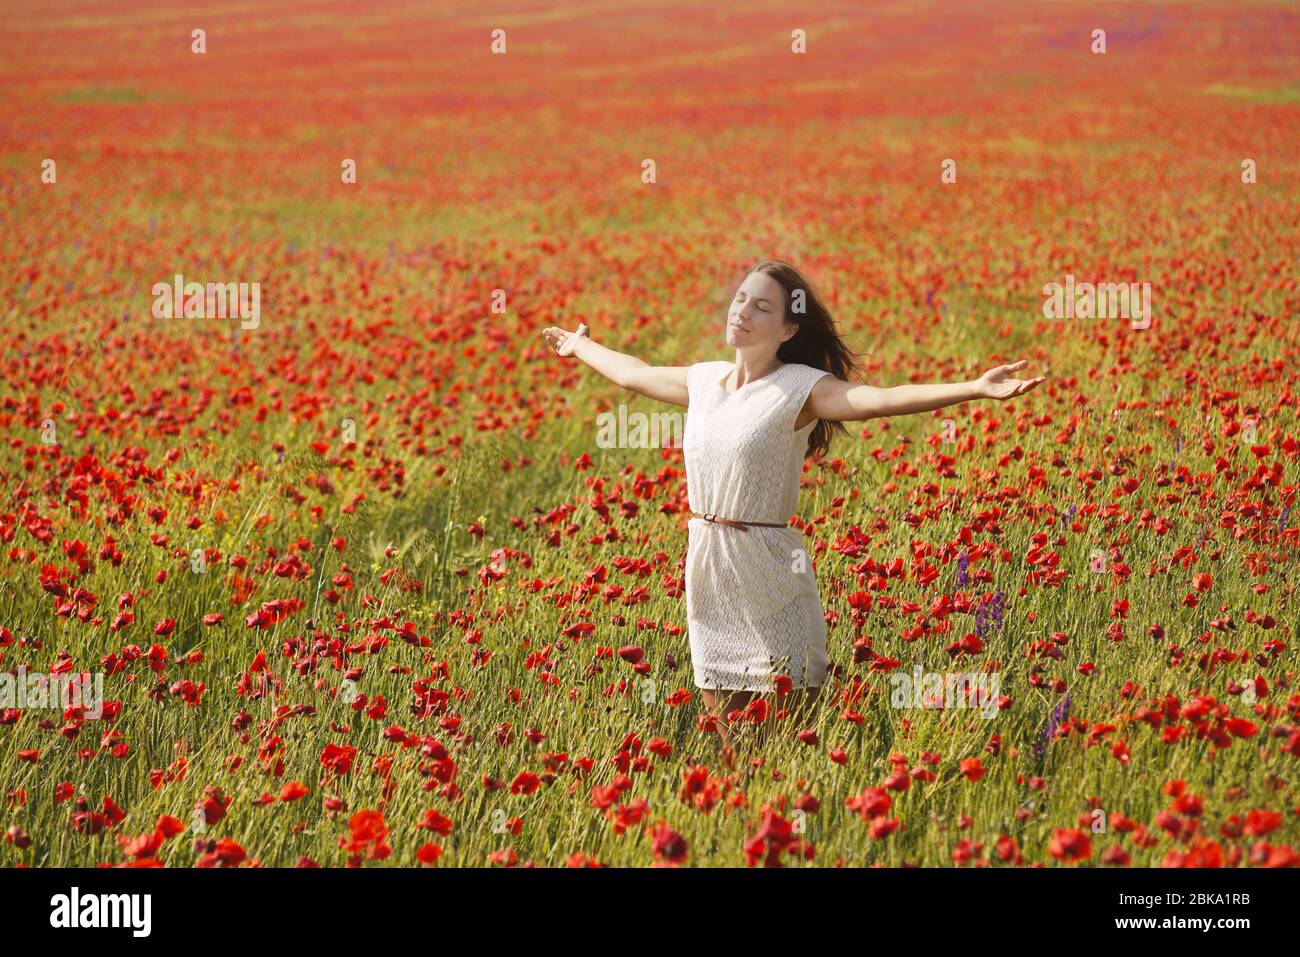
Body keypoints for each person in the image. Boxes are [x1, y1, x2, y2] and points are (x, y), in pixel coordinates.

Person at [541, 259, 1044, 754]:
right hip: (711, 567)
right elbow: (634, 373)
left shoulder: (799, 387)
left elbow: (878, 399)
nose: (742, 311)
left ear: (786, 330)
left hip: (769, 567)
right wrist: (580, 345)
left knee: (788, 733)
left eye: (761, 307)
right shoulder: (703, 381)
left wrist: (974, 389)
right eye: (741, 299)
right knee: (729, 742)